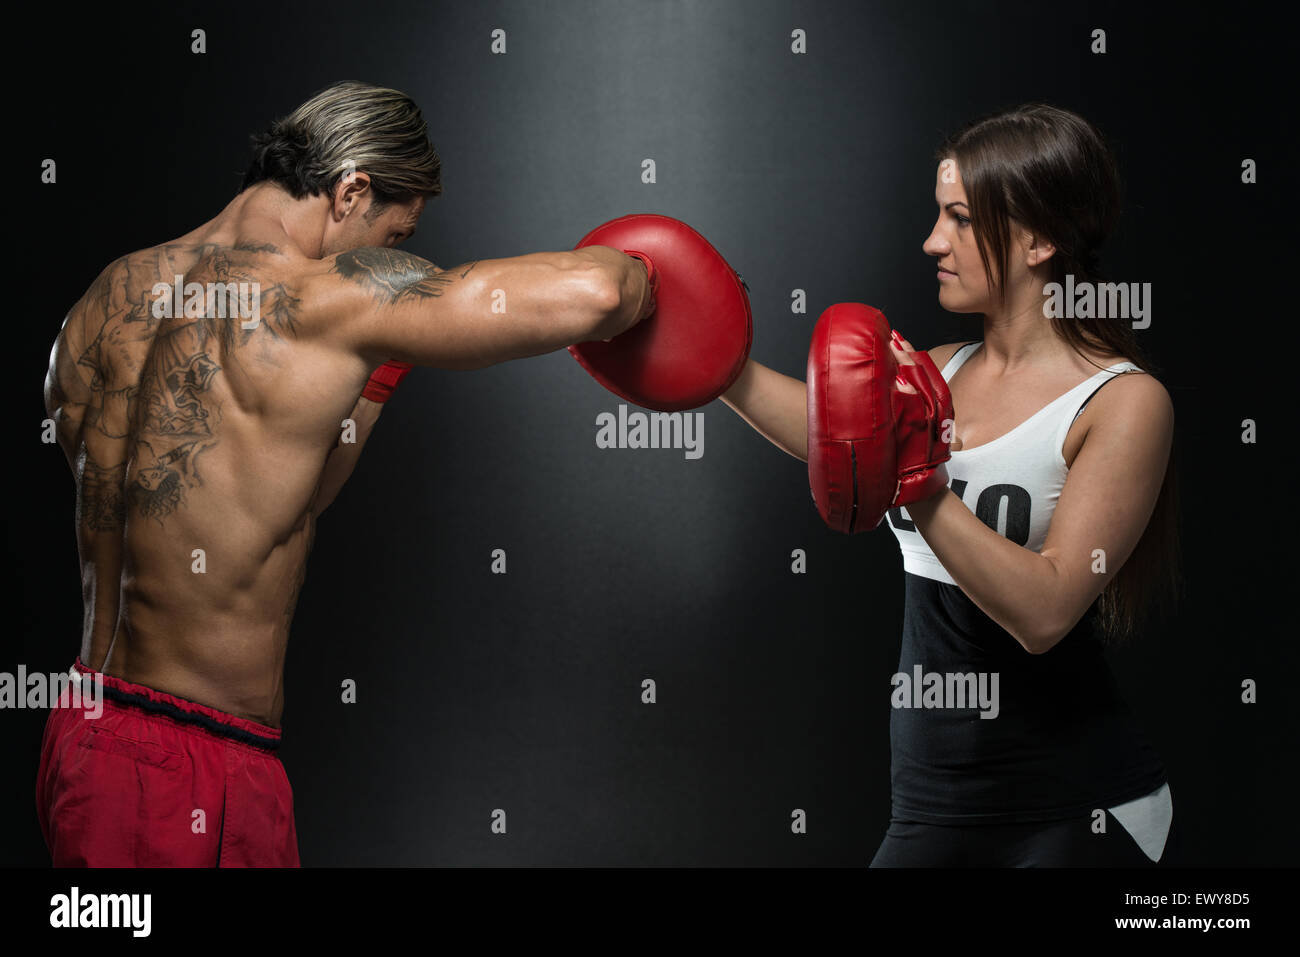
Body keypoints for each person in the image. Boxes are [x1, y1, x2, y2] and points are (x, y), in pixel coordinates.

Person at [37, 80, 654, 866]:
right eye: (391, 236)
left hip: (86, 738)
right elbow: (599, 292)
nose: (385, 258)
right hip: (197, 765)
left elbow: (263, 502)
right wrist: (658, 277)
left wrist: (375, 382)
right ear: (351, 188)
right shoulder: (326, 299)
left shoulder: (102, 301)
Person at [723, 103, 1178, 866]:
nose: (933, 241)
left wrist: (920, 483)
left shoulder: (1123, 402)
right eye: (939, 216)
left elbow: (1047, 608)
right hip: (934, 805)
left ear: (1040, 239)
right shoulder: (941, 370)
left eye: (960, 219)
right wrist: (714, 368)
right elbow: (832, 441)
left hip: (1076, 806)